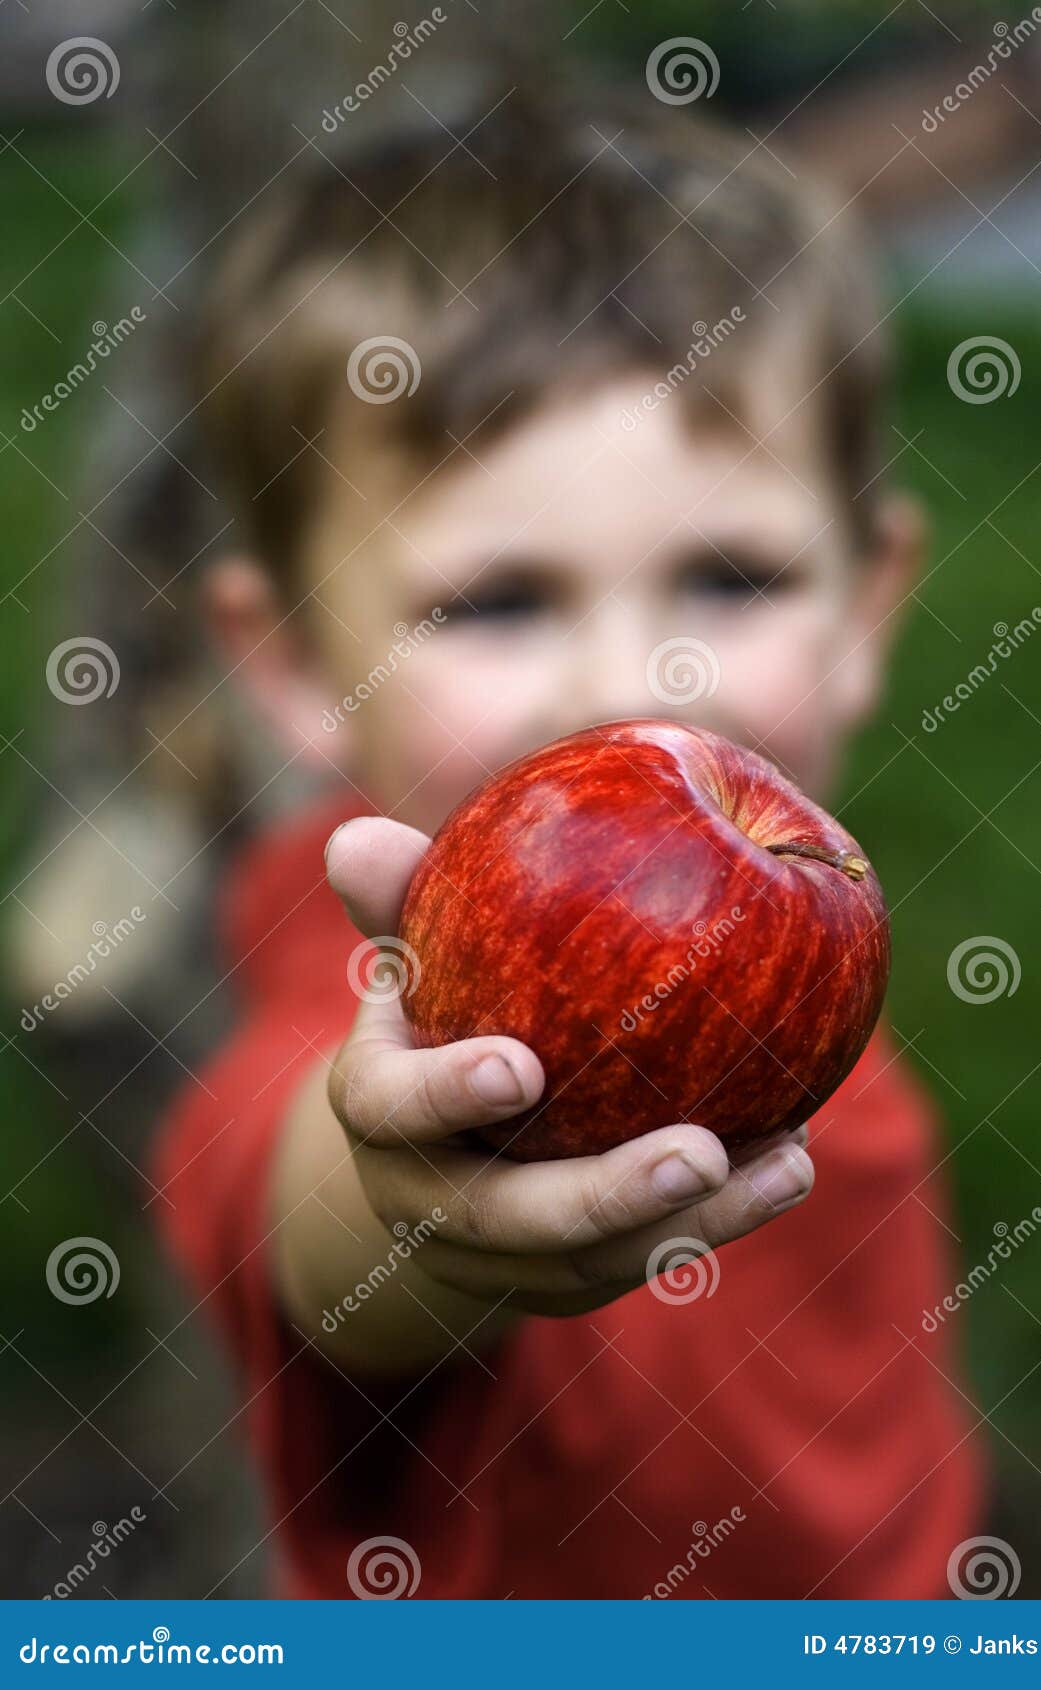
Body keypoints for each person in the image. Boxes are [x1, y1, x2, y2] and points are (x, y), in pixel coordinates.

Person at [153, 83, 984, 1599]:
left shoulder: (798, 922)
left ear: (868, 606)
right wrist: (422, 1210)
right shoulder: (395, 974)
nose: (632, 687)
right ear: (292, 664)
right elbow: (289, 1191)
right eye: (497, 602)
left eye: (732, 577)